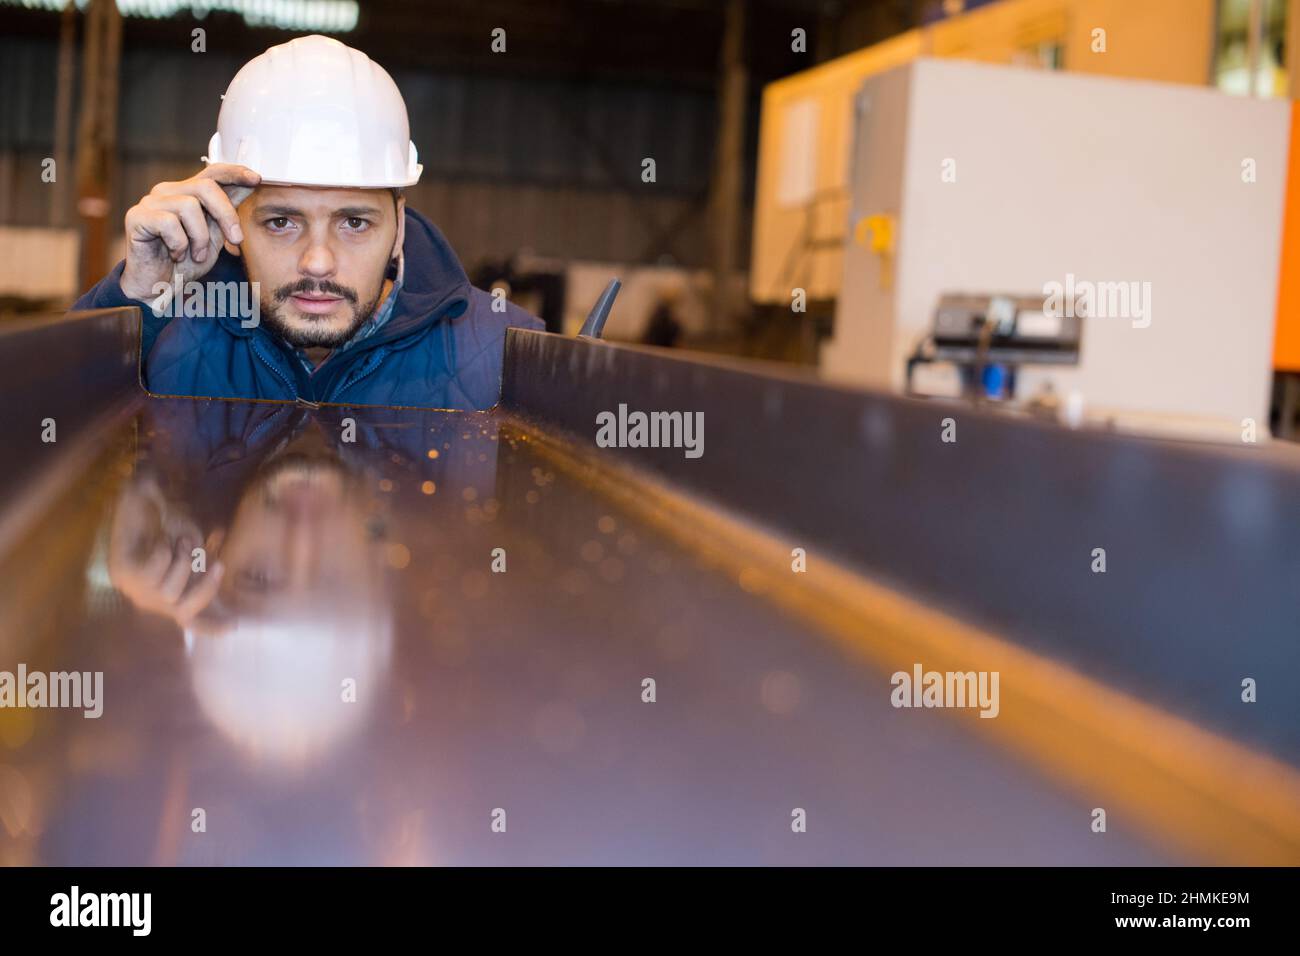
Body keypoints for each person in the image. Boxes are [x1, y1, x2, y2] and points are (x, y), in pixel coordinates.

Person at [72, 35, 542, 408]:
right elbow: (33, 437)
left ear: (398, 228)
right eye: (281, 222)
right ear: (231, 223)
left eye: (354, 223)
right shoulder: (169, 333)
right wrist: (134, 301)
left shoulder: (507, 355)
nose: (317, 263)